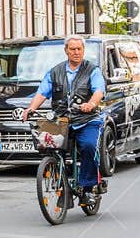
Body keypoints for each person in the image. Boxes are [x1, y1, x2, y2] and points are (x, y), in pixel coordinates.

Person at [21, 35, 106, 198]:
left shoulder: (92, 70)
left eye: (79, 49)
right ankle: (57, 174)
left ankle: (88, 187)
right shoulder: (55, 72)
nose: (76, 52)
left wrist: (91, 104)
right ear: (66, 50)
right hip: (61, 120)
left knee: (88, 146)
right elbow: (42, 92)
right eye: (72, 49)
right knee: (47, 145)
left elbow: (98, 91)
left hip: (87, 120)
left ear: (83, 50)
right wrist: (30, 108)